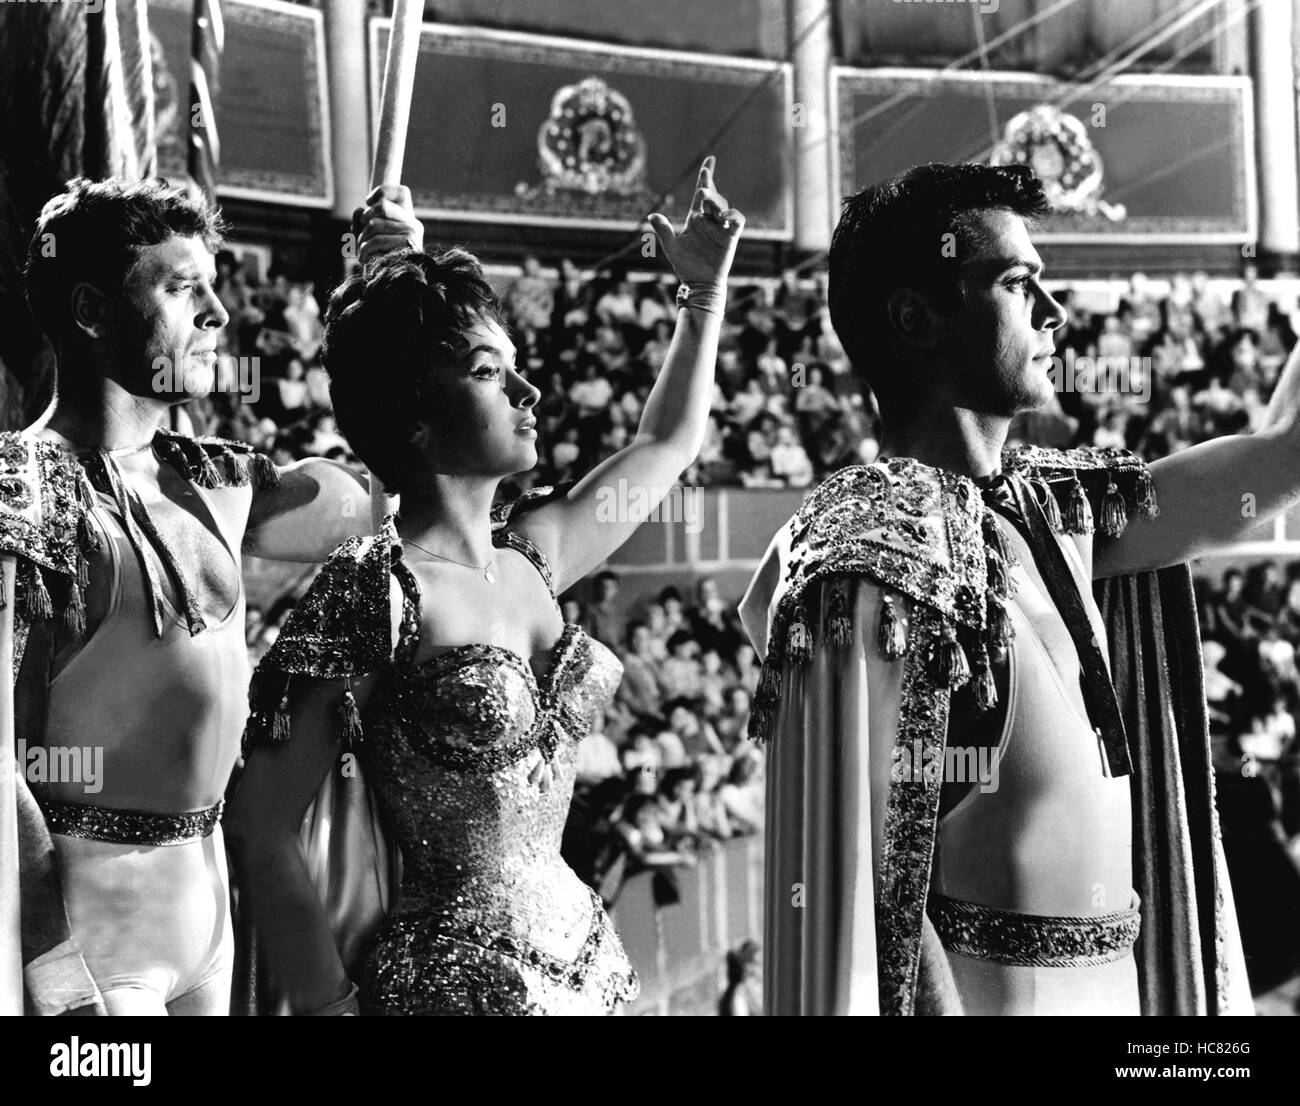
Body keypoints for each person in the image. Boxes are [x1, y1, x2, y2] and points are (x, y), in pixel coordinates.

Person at [738, 162, 1294, 1016]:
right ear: (916, 317)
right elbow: (857, 904)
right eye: (1015, 282)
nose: (1056, 311)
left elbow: (1280, 455)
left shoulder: (1054, 514)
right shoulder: (867, 558)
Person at [225, 158, 743, 1015]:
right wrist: (329, 1007)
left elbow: (670, 444)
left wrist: (704, 294)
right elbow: (260, 821)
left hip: (594, 972)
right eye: (488, 370)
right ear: (415, 415)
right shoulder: (375, 587)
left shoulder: (536, 556)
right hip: (450, 994)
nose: (529, 389)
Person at [0, 177, 420, 1015]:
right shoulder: (17, 488)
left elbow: (387, 496)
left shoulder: (218, 479)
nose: (219, 313)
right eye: (182, 287)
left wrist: (389, 293)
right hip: (87, 930)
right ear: (91, 310)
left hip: (208, 908)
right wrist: (52, 977)